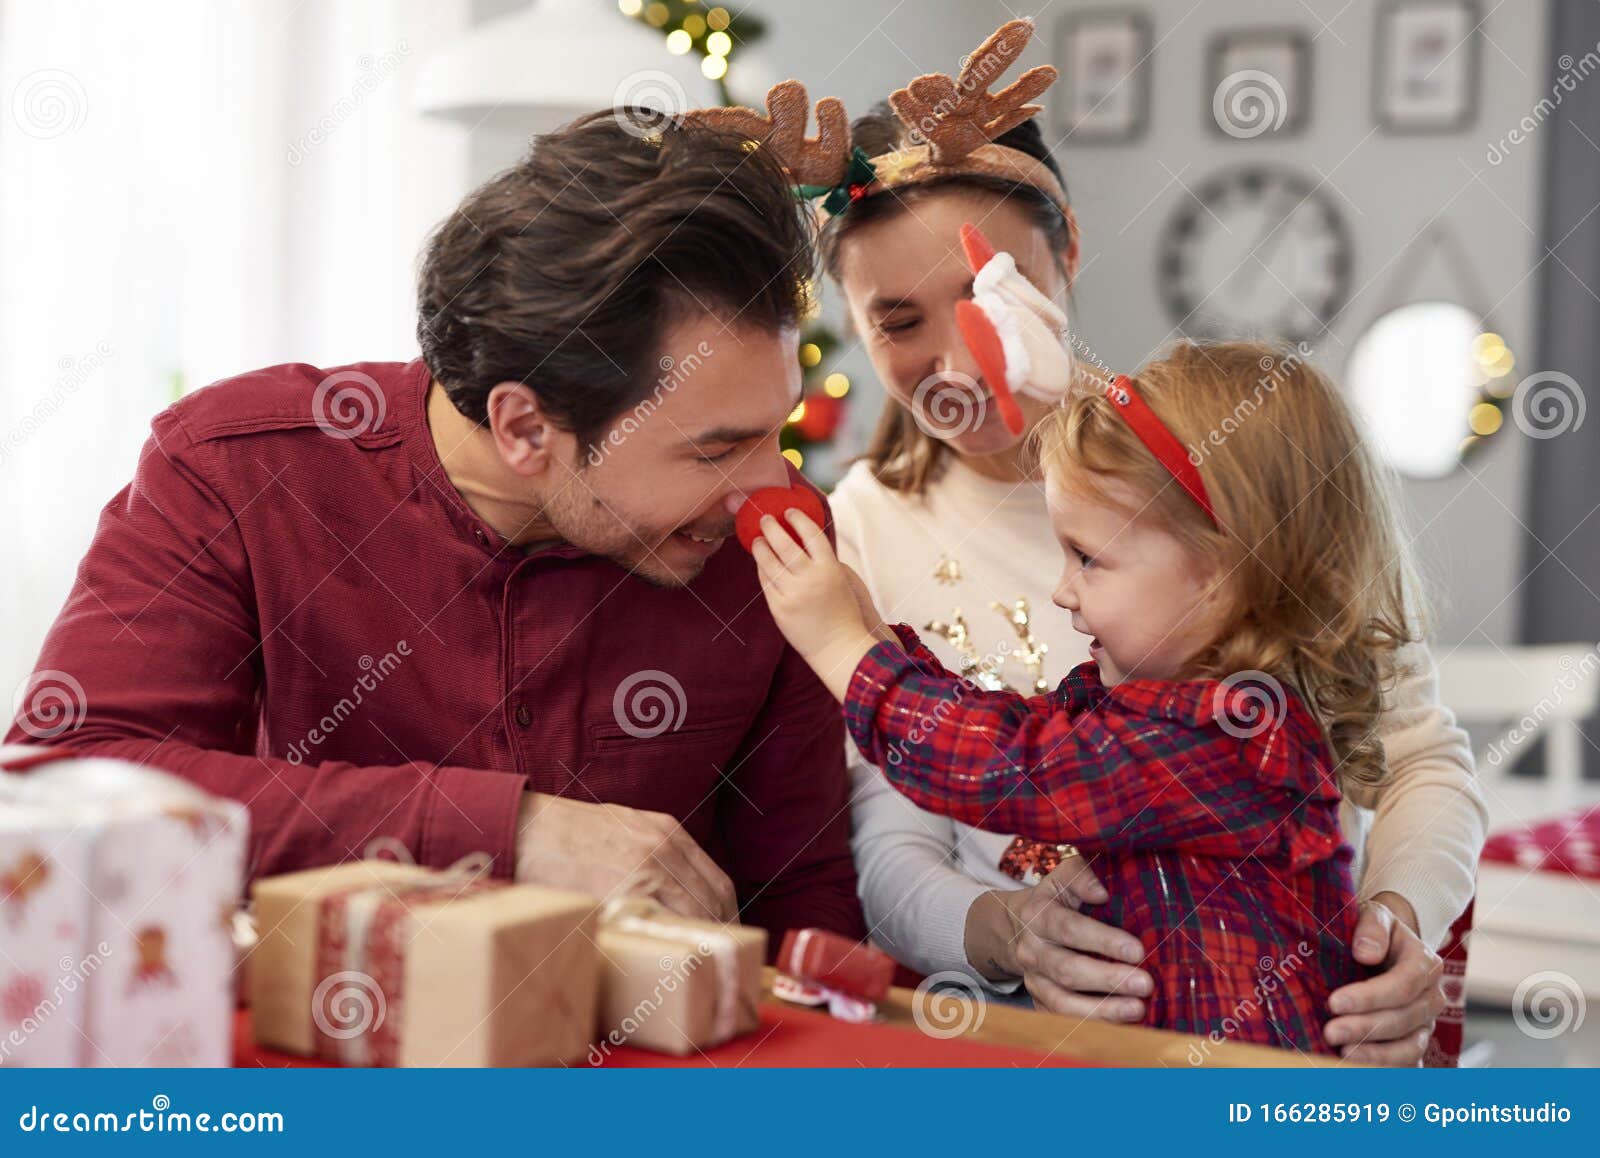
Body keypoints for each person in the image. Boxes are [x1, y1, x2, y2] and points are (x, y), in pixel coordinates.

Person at [6, 107, 866, 948]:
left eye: (775, 429)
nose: (773, 487)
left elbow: (803, 902)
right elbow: (69, 777)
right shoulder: (237, 468)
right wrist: (507, 831)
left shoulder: (771, 551)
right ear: (526, 429)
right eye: (717, 449)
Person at [817, 17, 1484, 1062]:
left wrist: (1396, 921)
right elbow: (891, 832)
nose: (960, 357)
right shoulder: (856, 525)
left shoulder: (1221, 458)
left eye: (987, 291)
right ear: (853, 328)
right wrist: (1000, 931)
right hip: (1028, 1044)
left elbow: (1417, 758)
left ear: (1067, 249)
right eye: (897, 321)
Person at [752, 339, 1441, 1054]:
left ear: (1223, 573)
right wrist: (884, 648)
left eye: (1088, 559)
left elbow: (1012, 770)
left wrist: (841, 652)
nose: (1062, 590)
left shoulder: (1234, 732)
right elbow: (1019, 727)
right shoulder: (1157, 703)